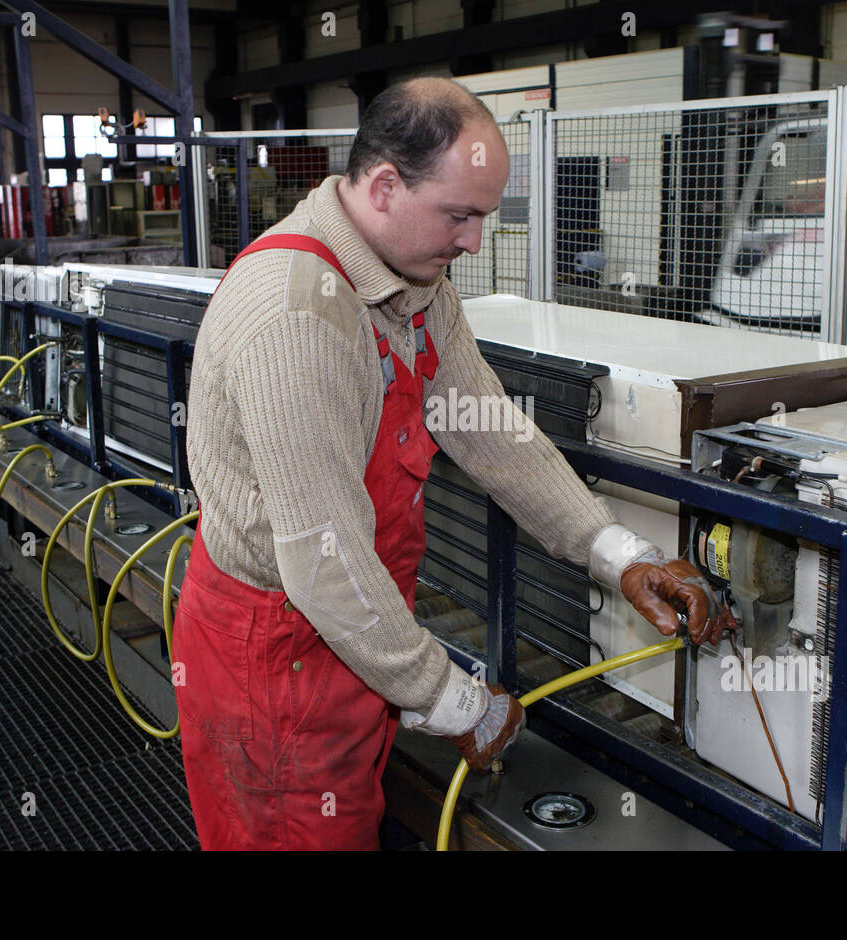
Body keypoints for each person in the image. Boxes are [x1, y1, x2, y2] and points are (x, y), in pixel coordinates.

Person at [173, 77, 735, 851]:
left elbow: (490, 430)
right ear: (383, 187)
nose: (473, 242)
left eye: (483, 217)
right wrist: (452, 700)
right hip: (278, 657)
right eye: (458, 215)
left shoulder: (415, 281)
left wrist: (620, 553)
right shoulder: (298, 317)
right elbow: (325, 565)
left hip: (361, 629)